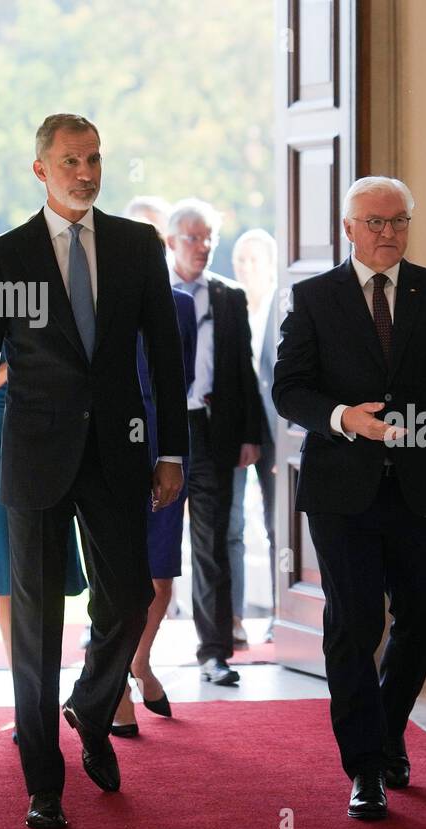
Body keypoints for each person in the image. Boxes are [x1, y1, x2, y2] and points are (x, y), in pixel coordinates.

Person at [0, 114, 188, 829]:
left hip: (118, 453)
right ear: (40, 170)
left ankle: (88, 702)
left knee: (130, 597)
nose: (87, 172)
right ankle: (43, 783)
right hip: (33, 459)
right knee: (37, 625)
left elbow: (165, 356)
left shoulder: (136, 244)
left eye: (94, 159)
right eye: (71, 161)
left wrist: (171, 451)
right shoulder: (5, 255)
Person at [273, 176, 426, 820]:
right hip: (344, 489)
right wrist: (342, 416)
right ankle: (365, 767)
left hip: (422, 482)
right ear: (348, 228)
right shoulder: (314, 297)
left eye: (397, 221)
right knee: (357, 622)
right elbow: (289, 389)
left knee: (424, 616)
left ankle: (388, 729)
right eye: (373, 222)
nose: (387, 232)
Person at [0, 348, 88, 744]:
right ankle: (29, 703)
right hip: (5, 429)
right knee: (10, 573)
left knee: (51, 568)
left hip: (72, 423)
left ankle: (95, 690)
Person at [110, 198, 199, 735]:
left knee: (160, 575)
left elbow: (177, 385)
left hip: (166, 444)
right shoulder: (99, 302)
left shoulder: (181, 305)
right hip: (112, 446)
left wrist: (173, 451)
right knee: (118, 571)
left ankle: (139, 660)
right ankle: (115, 680)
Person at [165, 199, 263, 686]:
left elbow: (243, 370)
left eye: (209, 239)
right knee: (148, 547)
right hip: (156, 433)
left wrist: (250, 434)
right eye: (193, 238)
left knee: (212, 546)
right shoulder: (147, 293)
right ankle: (126, 655)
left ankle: (214, 652)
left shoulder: (228, 296)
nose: (203, 247)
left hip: (209, 431)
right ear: (170, 242)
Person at [229, 229, 279, 641]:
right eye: (240, 261)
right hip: (236, 432)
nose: (245, 268)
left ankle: (284, 616)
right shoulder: (228, 303)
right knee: (232, 528)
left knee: (278, 523)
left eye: (253, 261)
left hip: (278, 435)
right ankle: (233, 619)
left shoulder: (283, 307)